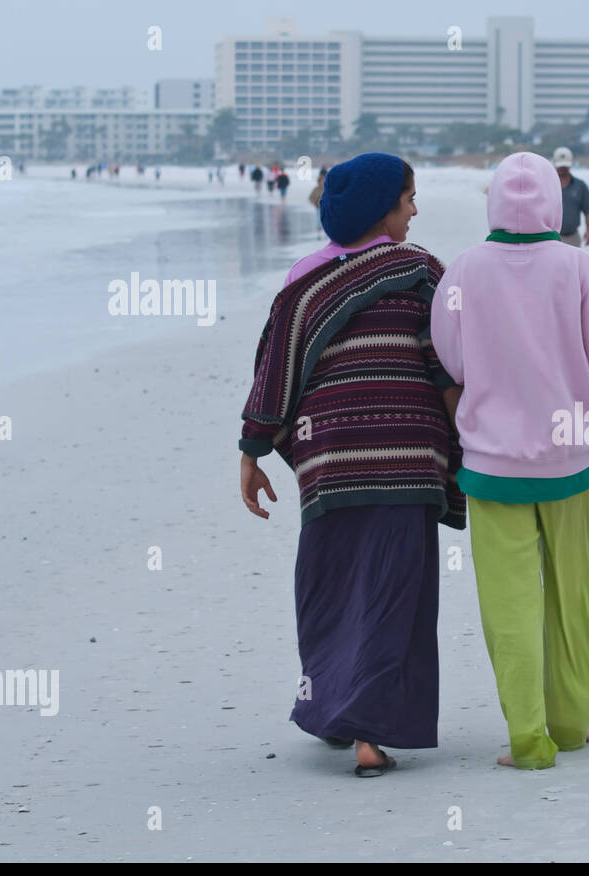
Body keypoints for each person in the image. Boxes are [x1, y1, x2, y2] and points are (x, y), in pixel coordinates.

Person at [430, 152, 589, 770]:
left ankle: (528, 739)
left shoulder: (461, 271)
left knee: (508, 604)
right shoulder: (578, 268)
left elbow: (453, 361)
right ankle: (569, 721)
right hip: (567, 461)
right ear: (552, 202)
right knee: (574, 592)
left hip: (491, 464)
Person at [239, 153, 465, 777]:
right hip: (407, 457)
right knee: (395, 592)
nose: (416, 209)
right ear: (382, 209)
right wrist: (467, 442)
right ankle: (369, 731)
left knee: (328, 588)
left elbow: (276, 371)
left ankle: (337, 710)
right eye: (409, 198)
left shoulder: (304, 288)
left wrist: (253, 451)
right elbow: (444, 365)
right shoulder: (423, 274)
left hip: (329, 460)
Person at [552, 146, 589, 247]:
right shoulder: (547, 185)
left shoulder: (580, 186)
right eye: (560, 166)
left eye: (565, 166)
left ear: (570, 164)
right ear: (554, 164)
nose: (562, 169)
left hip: (573, 238)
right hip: (551, 238)